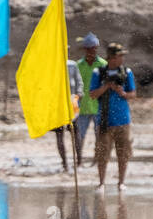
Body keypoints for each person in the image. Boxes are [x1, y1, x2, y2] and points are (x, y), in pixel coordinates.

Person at [89, 42, 136, 191]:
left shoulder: (126, 72)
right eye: (119, 56)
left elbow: (133, 94)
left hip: (123, 120)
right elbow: (92, 94)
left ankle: (121, 182)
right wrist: (106, 86)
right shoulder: (98, 73)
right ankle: (101, 183)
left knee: (123, 153)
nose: (122, 59)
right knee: (102, 154)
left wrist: (122, 92)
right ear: (111, 58)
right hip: (104, 120)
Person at [73, 33, 106, 165]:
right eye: (90, 48)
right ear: (85, 49)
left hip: (99, 106)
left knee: (99, 135)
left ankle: (96, 160)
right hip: (82, 107)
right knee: (79, 136)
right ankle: (79, 161)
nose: (93, 51)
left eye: (95, 48)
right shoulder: (78, 66)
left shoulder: (103, 65)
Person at [52, 51, 85, 172]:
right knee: (59, 135)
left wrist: (78, 94)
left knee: (76, 133)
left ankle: (79, 160)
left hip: (72, 104)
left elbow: (79, 82)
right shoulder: (52, 66)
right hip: (58, 106)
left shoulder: (72, 65)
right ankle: (65, 163)